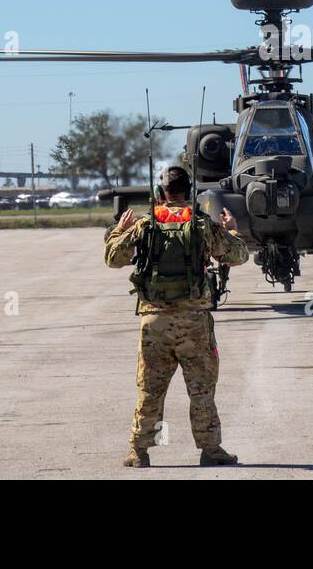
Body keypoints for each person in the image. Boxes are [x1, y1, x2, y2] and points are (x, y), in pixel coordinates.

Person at [104, 166, 249, 468]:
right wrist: (232, 229)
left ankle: (138, 451)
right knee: (201, 389)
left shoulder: (146, 224)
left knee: (150, 389)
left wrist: (119, 228)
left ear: (161, 193)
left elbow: (113, 258)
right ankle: (210, 450)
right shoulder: (200, 224)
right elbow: (237, 256)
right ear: (190, 192)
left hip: (154, 323)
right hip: (194, 322)